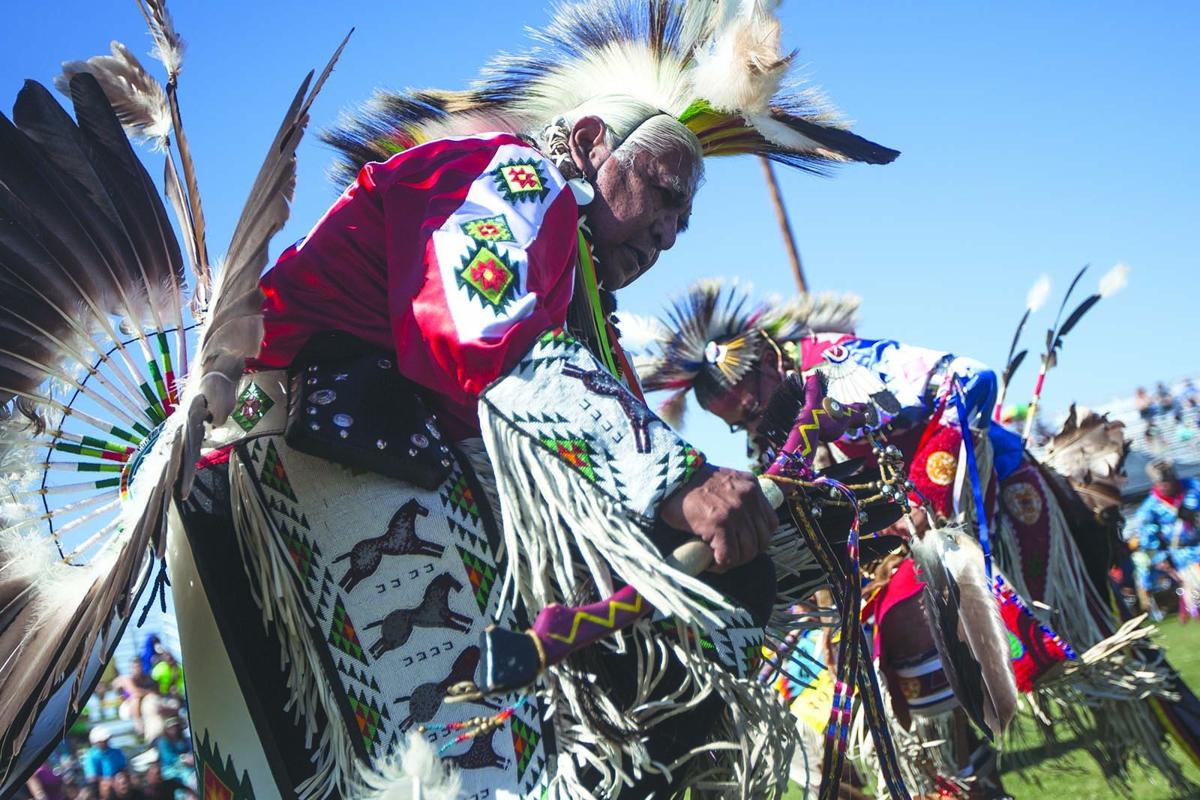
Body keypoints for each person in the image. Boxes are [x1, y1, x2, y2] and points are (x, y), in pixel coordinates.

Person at [636, 281, 1195, 793]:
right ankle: (964, 777)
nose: (753, 426)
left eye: (752, 408)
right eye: (737, 424)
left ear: (766, 359)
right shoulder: (776, 425)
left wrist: (926, 494)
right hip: (910, 536)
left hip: (993, 498)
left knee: (950, 632)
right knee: (901, 657)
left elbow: (969, 378)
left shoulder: (840, 364)